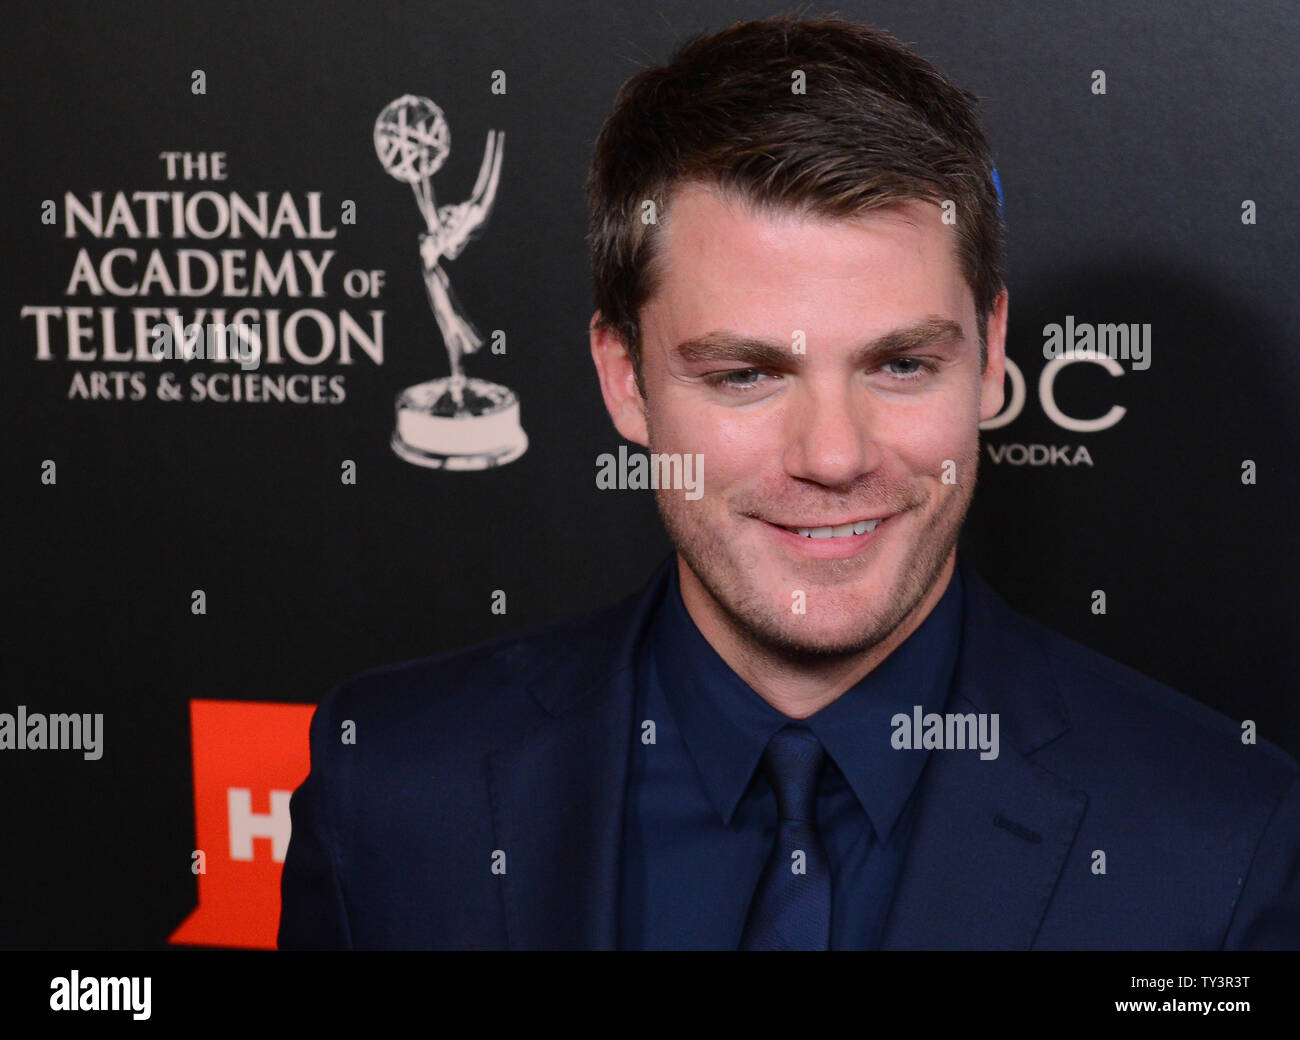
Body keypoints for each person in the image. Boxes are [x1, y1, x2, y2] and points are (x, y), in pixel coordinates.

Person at [279, 13, 1300, 950]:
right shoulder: (398, 788)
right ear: (624, 379)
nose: (834, 455)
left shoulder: (1217, 840)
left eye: (900, 364)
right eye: (746, 374)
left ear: (990, 358)